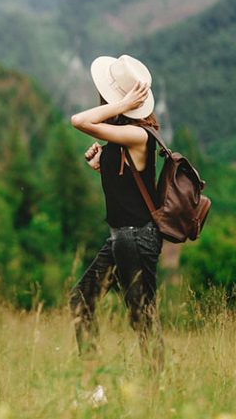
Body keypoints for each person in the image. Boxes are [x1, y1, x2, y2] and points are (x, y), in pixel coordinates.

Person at [68, 54, 164, 374]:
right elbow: (128, 189)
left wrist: (121, 105)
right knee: (82, 300)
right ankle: (94, 386)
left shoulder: (139, 135)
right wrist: (101, 166)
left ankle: (157, 393)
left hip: (136, 237)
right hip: (122, 237)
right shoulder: (122, 138)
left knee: (143, 319)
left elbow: (79, 121)